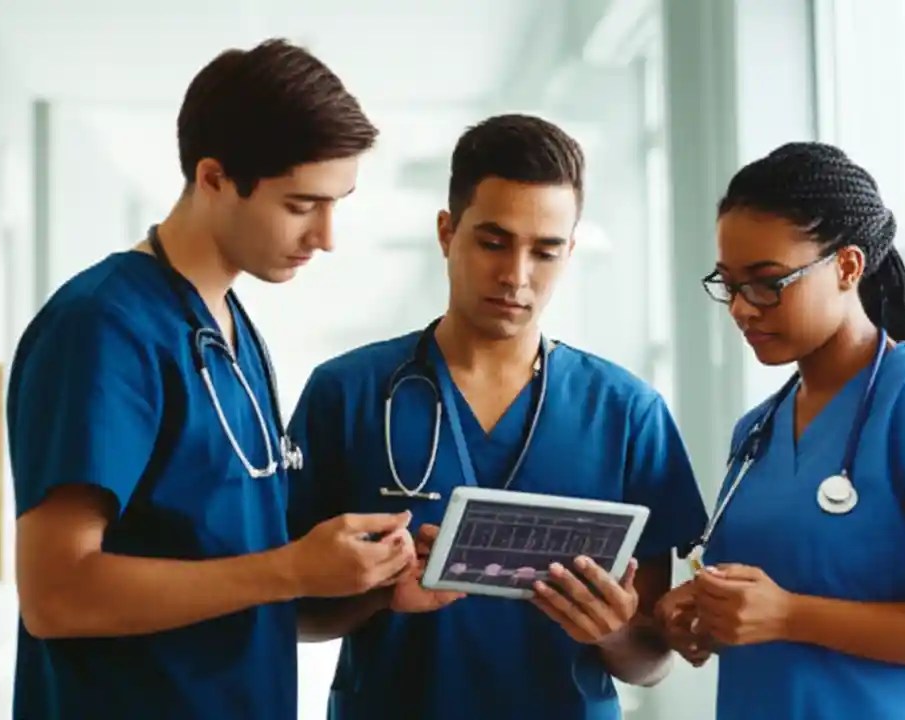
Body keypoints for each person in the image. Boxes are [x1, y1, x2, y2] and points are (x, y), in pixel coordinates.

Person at [6, 39, 418, 720]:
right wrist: (291, 567)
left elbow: (243, 596)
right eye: (300, 205)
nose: (326, 236)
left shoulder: (232, 333)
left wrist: (366, 584)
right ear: (213, 178)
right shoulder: (103, 328)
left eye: (338, 202)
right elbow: (57, 597)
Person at [285, 113, 708, 719]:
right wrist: (381, 595)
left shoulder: (626, 412)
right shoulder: (347, 394)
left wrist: (607, 631)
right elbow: (291, 610)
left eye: (545, 251)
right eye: (493, 242)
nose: (516, 276)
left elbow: (651, 659)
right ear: (446, 232)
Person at [655, 142, 905, 719]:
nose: (741, 308)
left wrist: (789, 615)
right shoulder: (756, 433)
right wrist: (703, 614)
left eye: (767, 281)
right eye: (729, 284)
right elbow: (764, 600)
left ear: (848, 267)